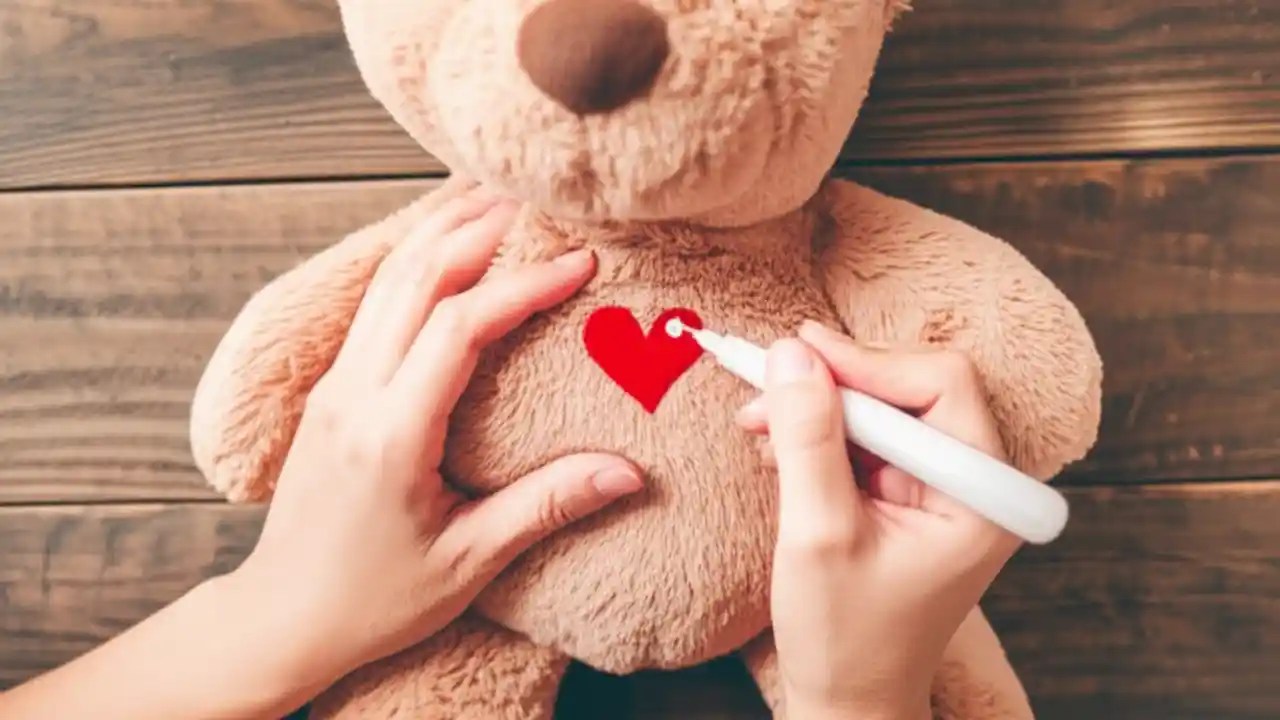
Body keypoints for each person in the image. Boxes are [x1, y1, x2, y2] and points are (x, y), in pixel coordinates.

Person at [0, 188, 1020, 720]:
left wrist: (274, 613)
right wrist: (862, 703)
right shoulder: (476, 226)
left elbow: (1032, 374)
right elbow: (246, 413)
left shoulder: (830, 231)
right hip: (462, 616)